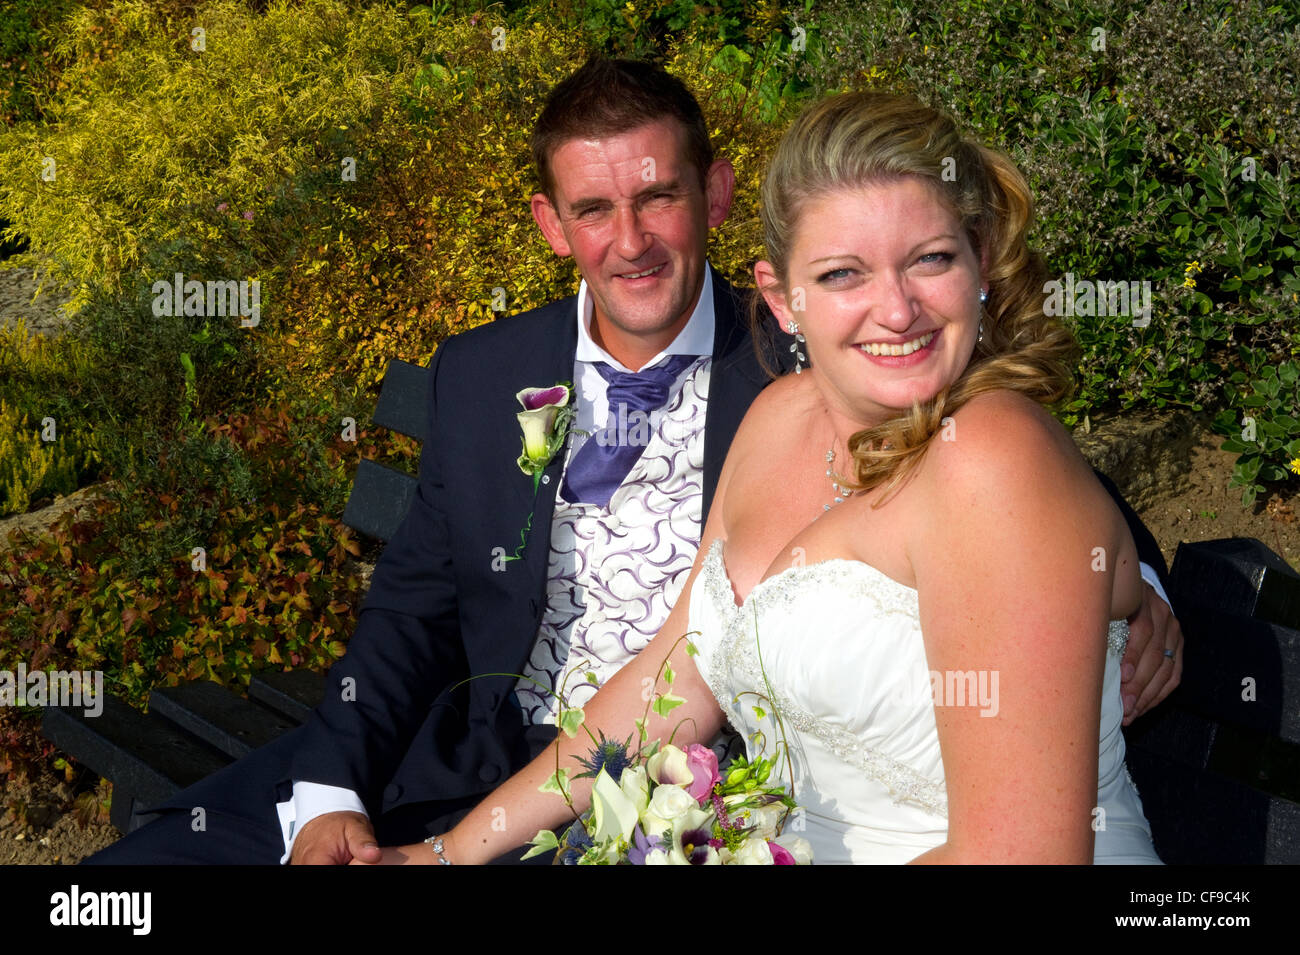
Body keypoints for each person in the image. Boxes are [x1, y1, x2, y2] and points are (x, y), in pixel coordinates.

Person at [86, 61, 1177, 866]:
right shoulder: (752, 413)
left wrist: (1131, 585)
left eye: (931, 260)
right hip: (511, 770)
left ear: (710, 198)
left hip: (709, 821)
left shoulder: (912, 413)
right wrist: (432, 842)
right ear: (551, 225)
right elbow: (640, 669)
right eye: (594, 209)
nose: (892, 308)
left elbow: (1040, 513)